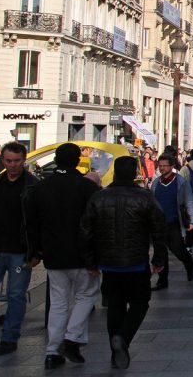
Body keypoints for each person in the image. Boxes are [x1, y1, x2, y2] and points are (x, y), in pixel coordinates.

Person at [79, 156, 167, 370]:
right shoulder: (145, 197)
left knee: (115, 305)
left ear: (115, 172)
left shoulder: (99, 197)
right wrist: (159, 257)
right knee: (140, 302)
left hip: (109, 262)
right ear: (135, 173)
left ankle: (115, 349)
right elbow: (159, 228)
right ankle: (123, 339)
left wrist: (90, 261)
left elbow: (86, 231)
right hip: (136, 261)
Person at [25, 142, 101, 369]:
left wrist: (35, 251)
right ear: (78, 161)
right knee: (86, 295)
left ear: (56, 160)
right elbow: (94, 223)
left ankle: (52, 350)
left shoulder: (40, 187)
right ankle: (73, 337)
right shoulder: (86, 187)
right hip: (81, 253)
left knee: (58, 303)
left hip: (53, 254)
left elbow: (32, 223)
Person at [0, 142, 40, 356]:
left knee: (16, 295)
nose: (12, 165)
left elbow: (38, 221)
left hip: (20, 251)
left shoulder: (33, 185)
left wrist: (37, 252)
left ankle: (10, 338)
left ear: (24, 160)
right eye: (8, 161)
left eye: (17, 161)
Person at [149, 155, 193, 290]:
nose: (162, 168)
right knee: (160, 251)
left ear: (171, 166)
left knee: (178, 249)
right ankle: (162, 281)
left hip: (174, 222)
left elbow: (189, 201)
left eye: (165, 165)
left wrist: (192, 220)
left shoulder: (180, 182)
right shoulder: (156, 183)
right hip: (159, 224)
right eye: (160, 166)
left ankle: (189, 264)